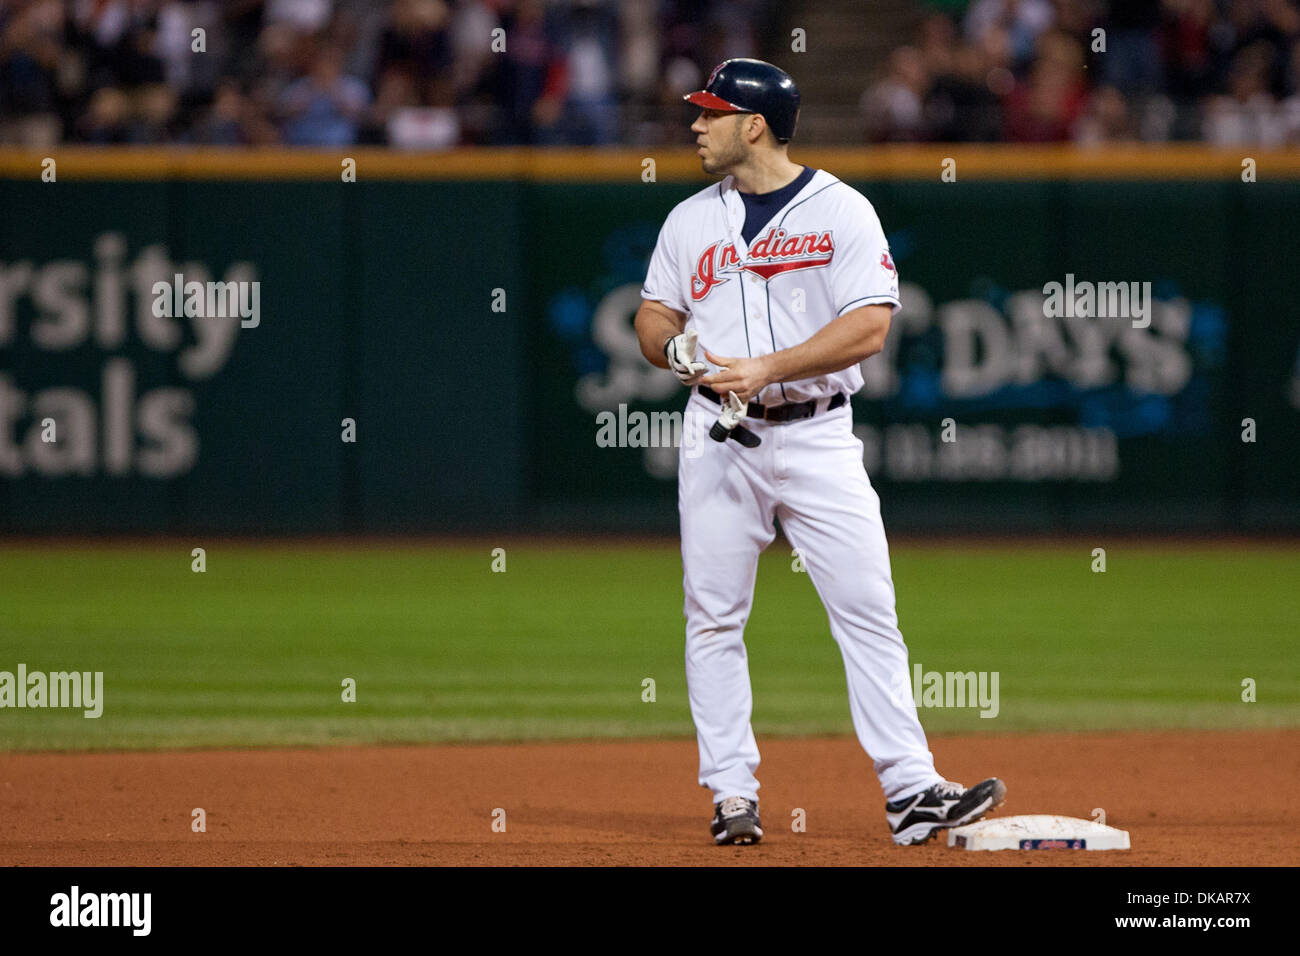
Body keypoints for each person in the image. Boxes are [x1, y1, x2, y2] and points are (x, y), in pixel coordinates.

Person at [633, 58, 1006, 846]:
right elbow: (653, 315)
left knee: (868, 611)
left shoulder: (842, 211)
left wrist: (765, 367)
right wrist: (680, 358)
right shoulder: (690, 219)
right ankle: (732, 794)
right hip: (718, 432)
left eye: (710, 113)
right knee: (713, 616)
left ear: (754, 124)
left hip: (817, 432)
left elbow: (869, 326)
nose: (696, 125)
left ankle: (910, 790)